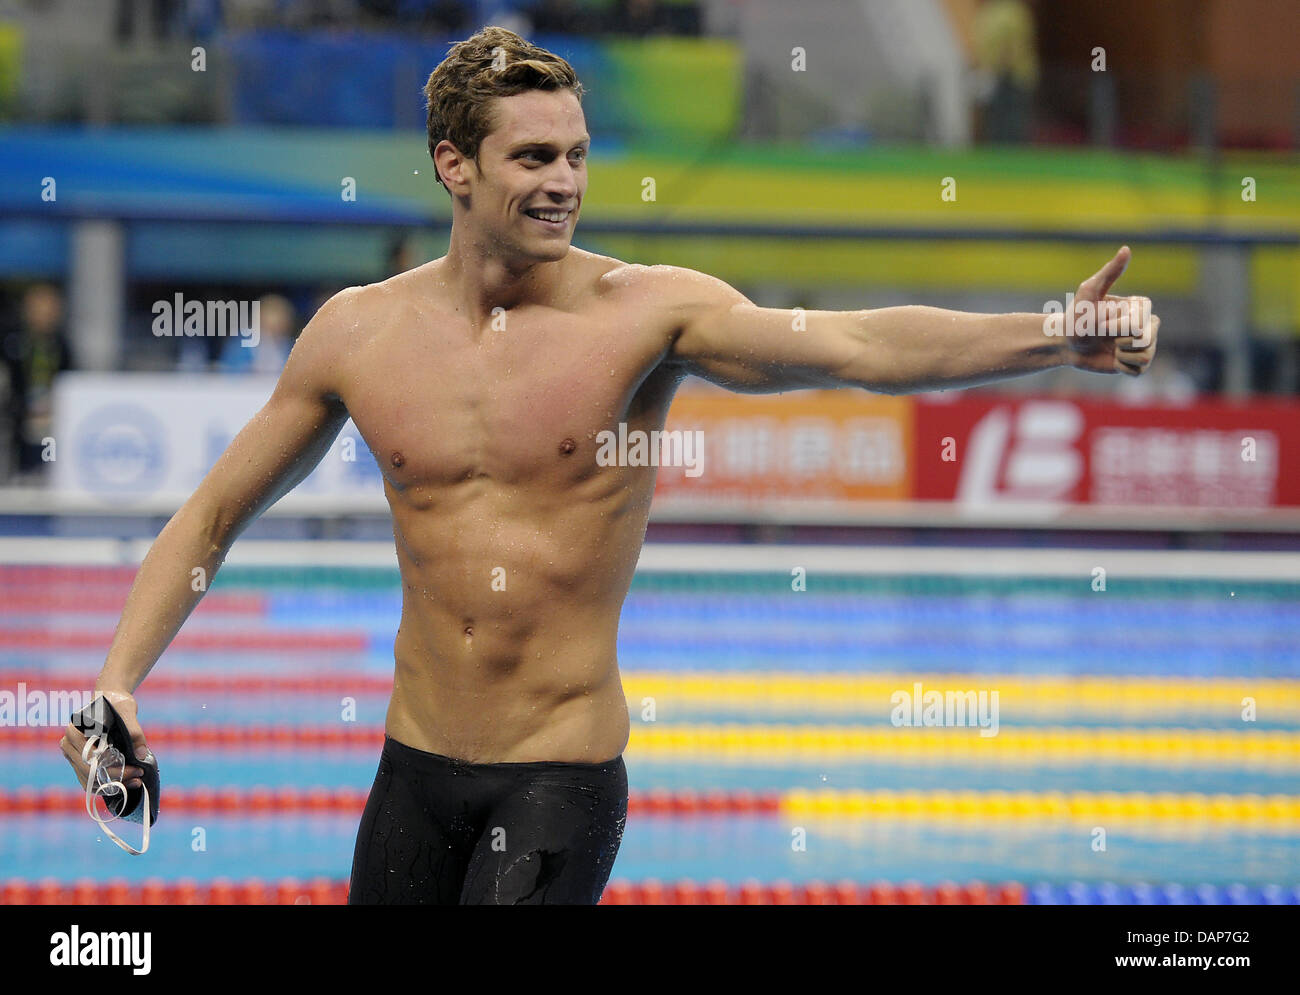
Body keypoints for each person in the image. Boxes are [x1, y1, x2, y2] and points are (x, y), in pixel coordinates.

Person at [60, 26, 1159, 904]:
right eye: (534, 156)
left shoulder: (646, 315)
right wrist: (117, 680)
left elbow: (858, 345)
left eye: (577, 155)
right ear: (454, 164)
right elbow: (211, 516)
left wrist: (1051, 330)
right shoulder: (357, 334)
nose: (565, 181)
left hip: (559, 778)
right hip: (410, 768)